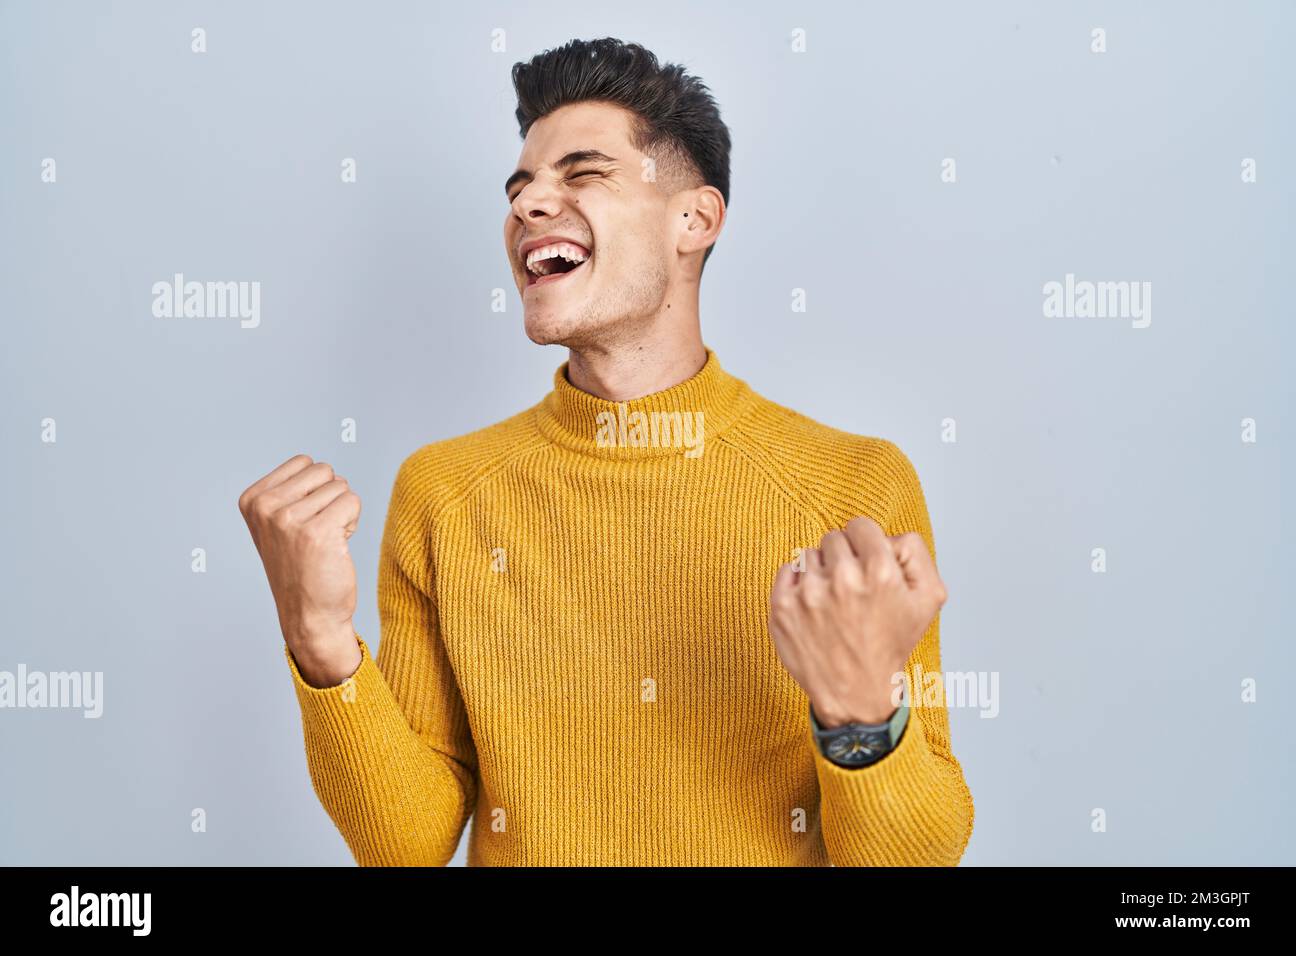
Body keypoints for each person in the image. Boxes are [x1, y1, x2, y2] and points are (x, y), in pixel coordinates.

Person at [238, 37, 973, 866]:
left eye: (582, 174)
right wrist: (319, 639)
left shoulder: (854, 485)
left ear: (695, 219)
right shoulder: (442, 494)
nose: (528, 205)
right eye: (519, 190)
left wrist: (859, 713)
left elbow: (917, 856)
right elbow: (407, 844)